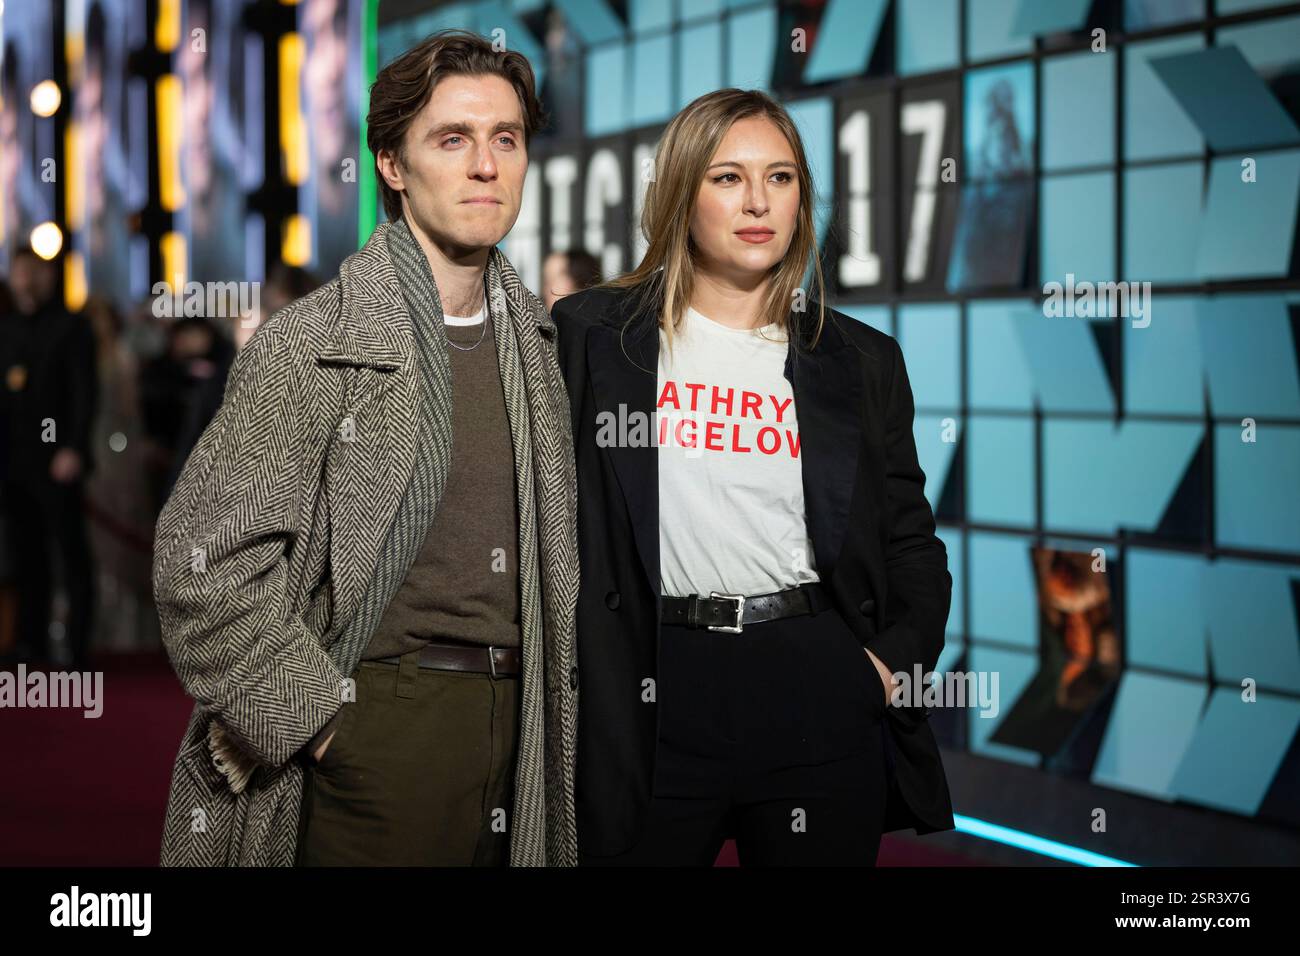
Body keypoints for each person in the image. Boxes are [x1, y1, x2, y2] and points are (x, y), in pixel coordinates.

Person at [153, 29, 579, 867]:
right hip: (377, 721)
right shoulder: (313, 345)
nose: (485, 166)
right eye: (451, 140)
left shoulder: (545, 348)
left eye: (506, 139)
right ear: (391, 163)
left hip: (527, 729)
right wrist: (319, 726)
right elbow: (197, 565)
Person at [553, 88, 955, 865]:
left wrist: (883, 669)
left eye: (780, 177)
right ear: (680, 194)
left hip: (813, 677)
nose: (757, 202)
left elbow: (911, 541)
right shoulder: (591, 337)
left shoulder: (861, 360)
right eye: (727, 178)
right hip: (652, 682)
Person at [0, 247, 98, 669]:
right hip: (13, 461)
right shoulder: (5, 328)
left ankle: (76, 648)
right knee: (25, 555)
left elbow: (83, 391)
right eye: (20, 271)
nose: (26, 280)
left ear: (50, 276)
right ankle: (30, 644)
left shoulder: (72, 327)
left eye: (34, 272)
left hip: (57, 461)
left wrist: (73, 447)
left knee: (70, 554)